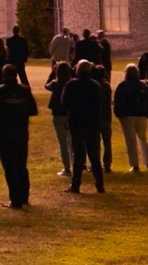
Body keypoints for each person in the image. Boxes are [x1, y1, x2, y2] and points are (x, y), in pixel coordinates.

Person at [0, 65, 37, 210]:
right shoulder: (24, 90)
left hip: (4, 134)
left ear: (3, 75)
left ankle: (15, 200)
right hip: (21, 132)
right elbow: (33, 110)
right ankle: (24, 196)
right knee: (21, 165)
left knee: (9, 167)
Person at [59, 62, 108, 195]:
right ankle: (99, 184)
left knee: (78, 155)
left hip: (77, 123)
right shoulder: (96, 86)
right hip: (92, 123)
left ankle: (75, 185)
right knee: (94, 155)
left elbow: (64, 103)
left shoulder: (70, 85)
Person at [111, 65, 148, 174]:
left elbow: (117, 102)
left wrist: (119, 114)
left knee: (131, 140)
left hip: (127, 116)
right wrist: (147, 114)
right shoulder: (143, 86)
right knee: (143, 138)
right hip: (141, 115)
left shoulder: (122, 86)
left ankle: (135, 165)